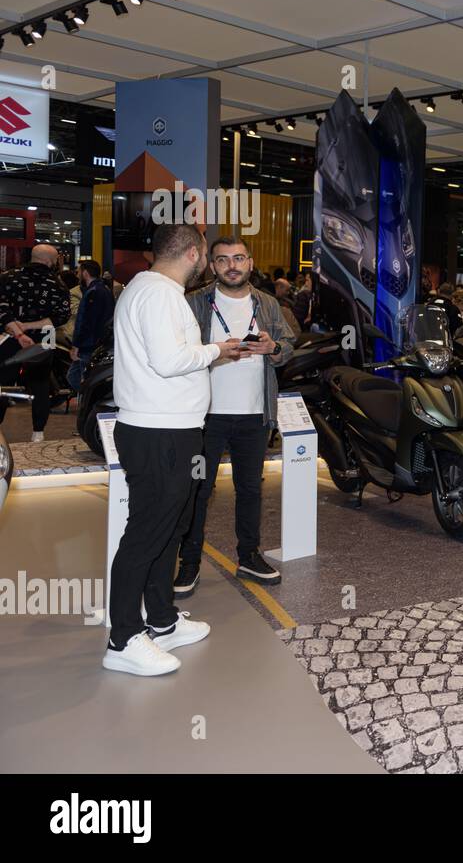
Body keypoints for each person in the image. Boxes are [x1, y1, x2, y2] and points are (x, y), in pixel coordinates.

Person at [104, 223, 244, 677]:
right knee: (147, 533)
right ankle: (123, 638)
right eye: (206, 253)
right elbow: (168, 362)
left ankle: (161, 621)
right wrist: (215, 350)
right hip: (158, 432)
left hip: (170, 430)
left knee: (169, 527)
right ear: (193, 253)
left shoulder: (148, 289)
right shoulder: (161, 294)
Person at [174, 237, 296, 598]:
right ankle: (190, 562)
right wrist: (215, 353)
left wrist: (273, 348)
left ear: (250, 262)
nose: (232, 265)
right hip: (205, 416)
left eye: (239, 258)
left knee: (250, 490)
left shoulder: (268, 304)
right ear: (212, 265)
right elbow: (177, 351)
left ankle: (249, 556)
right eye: (223, 259)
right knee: (198, 490)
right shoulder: (194, 302)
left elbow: (287, 345)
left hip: (254, 415)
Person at [0, 244, 71, 443]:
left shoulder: (8, 277)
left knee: (3, 384)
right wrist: (31, 326)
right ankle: (38, 432)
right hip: (43, 339)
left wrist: (18, 331)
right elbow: (61, 317)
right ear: (50, 261)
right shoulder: (58, 284)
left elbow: (2, 307)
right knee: (41, 385)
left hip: (10, 337)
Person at [68, 259, 115, 395]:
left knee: (78, 377)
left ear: (85, 273)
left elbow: (87, 321)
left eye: (79, 271)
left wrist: (76, 345)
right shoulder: (104, 289)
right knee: (77, 376)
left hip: (88, 344)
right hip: (97, 343)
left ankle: (89, 401)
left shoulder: (93, 292)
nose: (77, 275)